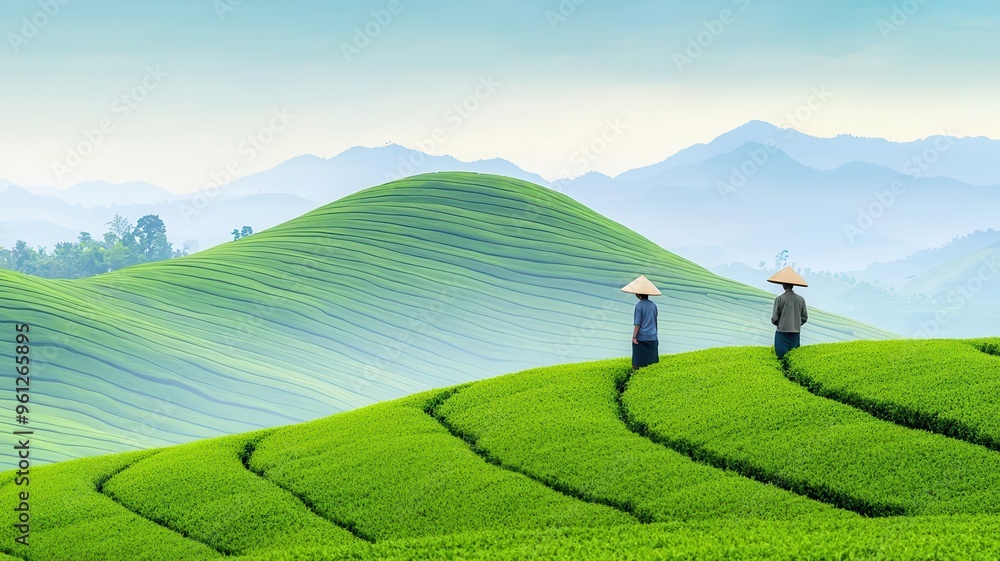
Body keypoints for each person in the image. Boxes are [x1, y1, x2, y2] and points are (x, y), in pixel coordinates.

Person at [620, 275, 661, 370]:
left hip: (642, 337)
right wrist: (655, 335)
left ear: (638, 294)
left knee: (637, 364)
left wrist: (634, 337)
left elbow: (637, 324)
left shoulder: (639, 306)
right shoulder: (653, 305)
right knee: (652, 363)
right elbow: (655, 321)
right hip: (652, 336)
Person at [767, 266, 808, 359]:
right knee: (794, 357)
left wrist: (780, 324)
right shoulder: (801, 299)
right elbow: (804, 317)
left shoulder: (779, 299)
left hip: (782, 332)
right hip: (795, 332)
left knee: (780, 357)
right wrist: (796, 324)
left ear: (783, 285)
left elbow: (775, 318)